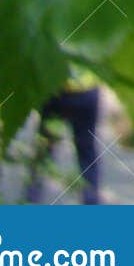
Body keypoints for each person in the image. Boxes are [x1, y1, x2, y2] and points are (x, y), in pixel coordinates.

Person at [26, 76, 102, 205]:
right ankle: (91, 203)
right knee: (86, 151)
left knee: (44, 148)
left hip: (55, 89)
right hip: (86, 89)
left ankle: (31, 201)